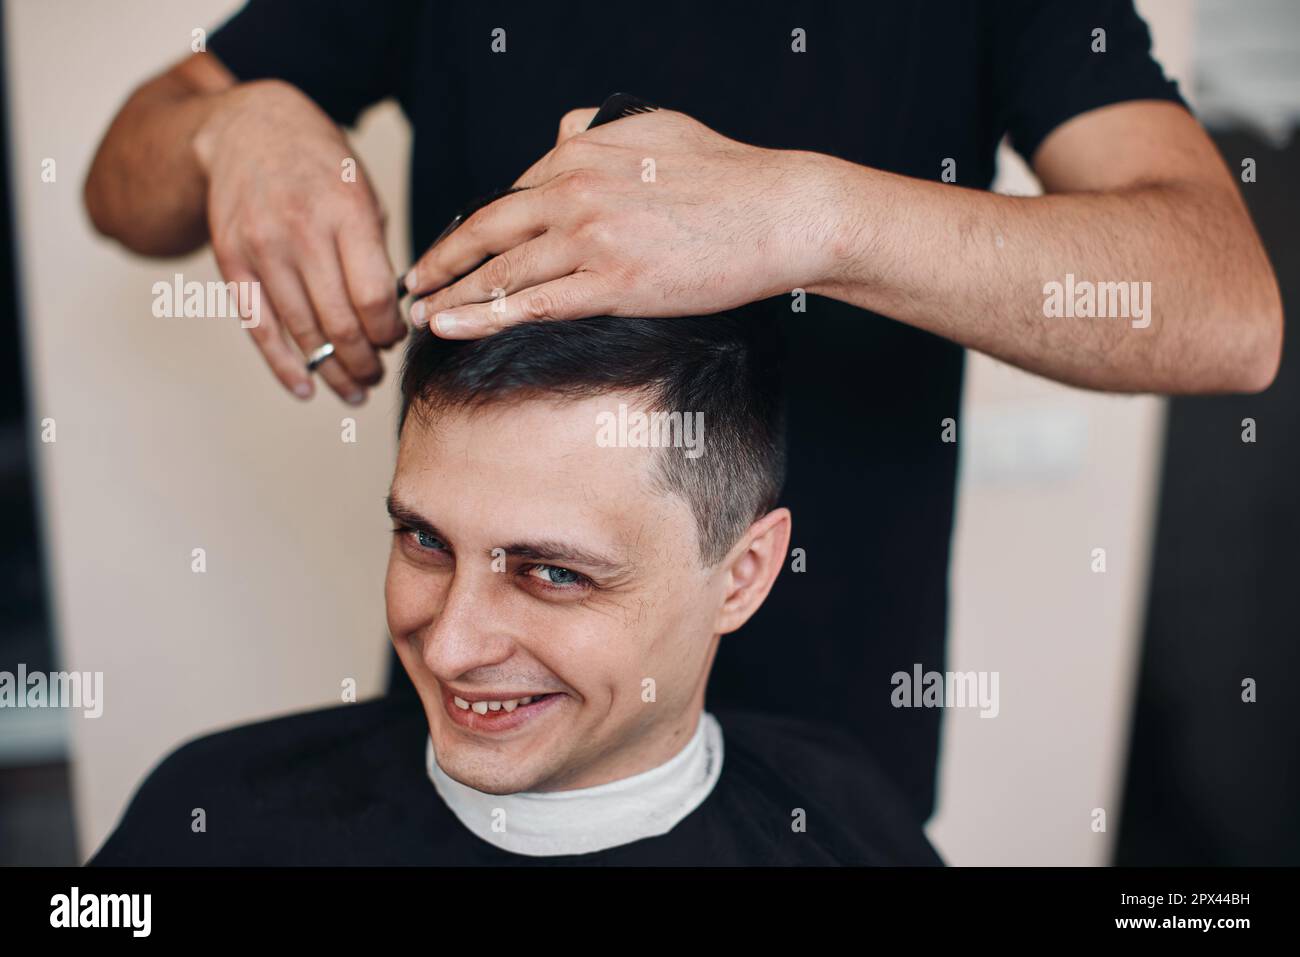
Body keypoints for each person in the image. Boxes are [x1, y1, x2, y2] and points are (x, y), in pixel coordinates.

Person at [83, 1, 1283, 821]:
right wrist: (228, 123)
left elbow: (1227, 308)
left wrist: (805, 220)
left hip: (828, 753)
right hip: (492, 721)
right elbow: (123, 178)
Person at [88, 313, 941, 865]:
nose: (450, 644)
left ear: (743, 574)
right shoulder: (209, 814)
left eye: (553, 572)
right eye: (424, 539)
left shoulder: (847, 819)